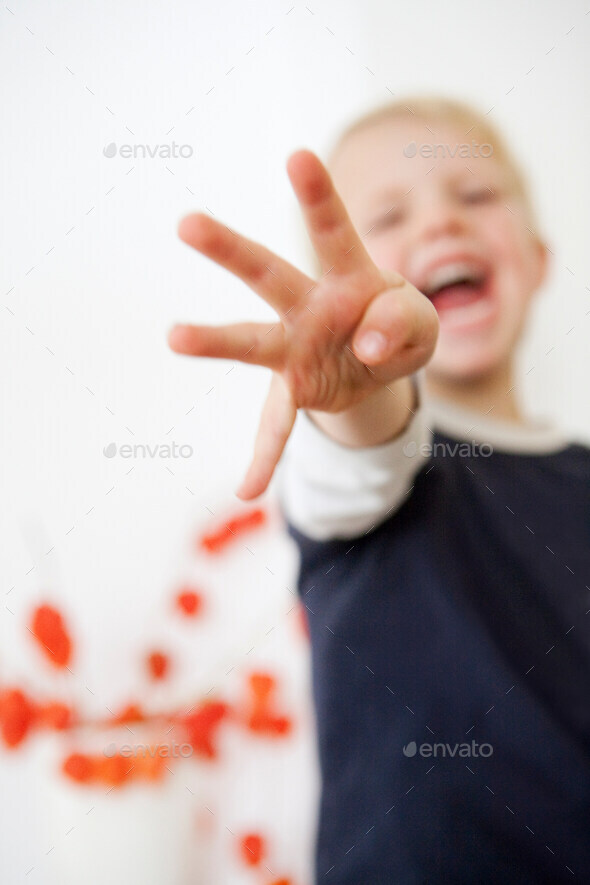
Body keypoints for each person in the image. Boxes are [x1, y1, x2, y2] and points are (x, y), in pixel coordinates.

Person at [168, 97, 590, 883]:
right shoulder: (373, 454)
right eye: (390, 216)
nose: (441, 222)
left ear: (538, 258)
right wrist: (356, 386)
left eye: (475, 195)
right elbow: (367, 443)